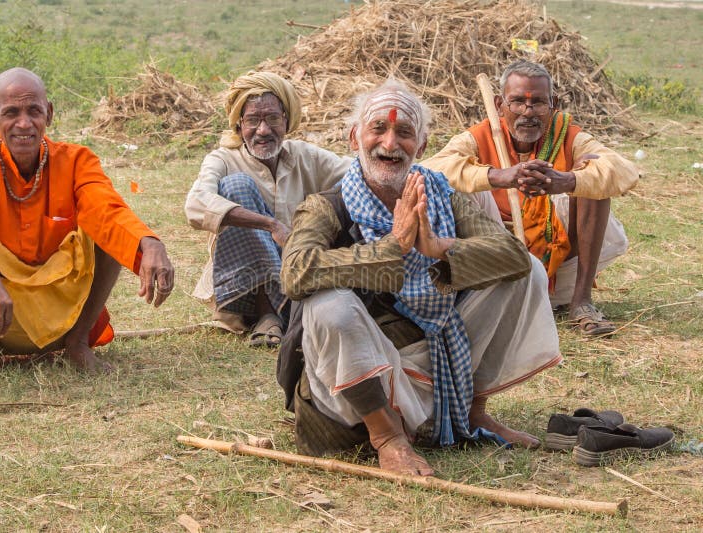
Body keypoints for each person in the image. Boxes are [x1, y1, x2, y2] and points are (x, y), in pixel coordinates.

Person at [278, 80, 562, 475]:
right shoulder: (326, 206)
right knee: (329, 305)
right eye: (378, 128)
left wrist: (440, 247)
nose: (390, 143)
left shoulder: (438, 194)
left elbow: (513, 255)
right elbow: (294, 273)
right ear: (354, 138)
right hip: (351, 391)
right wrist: (392, 247)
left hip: (432, 366)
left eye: (404, 132)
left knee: (525, 272)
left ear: (422, 146)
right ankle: (386, 436)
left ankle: (472, 410)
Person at [0, 67, 174, 385]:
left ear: (49, 114)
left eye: (34, 111)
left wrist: (149, 243)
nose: (24, 123)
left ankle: (78, 344)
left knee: (104, 233)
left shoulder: (77, 161)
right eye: (11, 112)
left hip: (62, 315)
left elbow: (108, 212)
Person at [421, 60, 639, 335]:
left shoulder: (566, 135)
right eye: (517, 102)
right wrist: (497, 176)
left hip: (556, 261)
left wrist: (567, 181)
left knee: (593, 176)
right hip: (497, 257)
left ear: (553, 104)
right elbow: (429, 170)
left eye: (538, 103)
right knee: (450, 187)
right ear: (499, 104)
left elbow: (625, 171)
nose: (528, 112)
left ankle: (581, 302)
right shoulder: (480, 137)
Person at [185, 71, 351, 346]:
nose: (263, 130)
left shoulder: (304, 155)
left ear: (286, 121)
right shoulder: (223, 159)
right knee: (237, 185)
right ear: (239, 124)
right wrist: (269, 224)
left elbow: (357, 174)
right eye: (253, 120)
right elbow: (196, 203)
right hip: (243, 288)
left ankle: (291, 313)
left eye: (272, 118)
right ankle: (268, 313)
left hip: (297, 275)